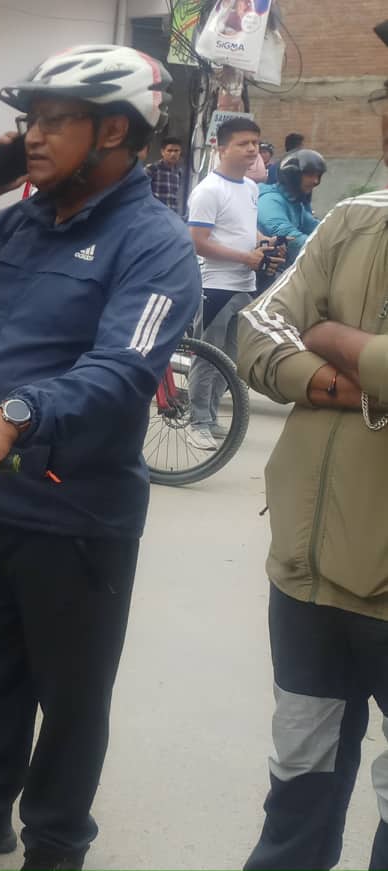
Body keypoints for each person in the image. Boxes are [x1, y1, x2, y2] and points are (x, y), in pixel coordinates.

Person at [0, 45, 199, 869]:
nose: (30, 137)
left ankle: (57, 842)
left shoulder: (154, 242)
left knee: (71, 697)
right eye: (27, 120)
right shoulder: (21, 221)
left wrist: (14, 416)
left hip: (76, 512)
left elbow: (124, 370)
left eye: (53, 121)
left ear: (115, 131)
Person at [234, 35, 388, 871]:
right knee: (298, 778)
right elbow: (258, 326)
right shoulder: (355, 220)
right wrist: (333, 378)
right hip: (307, 573)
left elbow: (302, 326)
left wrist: (337, 338)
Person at [186, 116, 271, 450]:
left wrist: (265, 242)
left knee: (232, 361)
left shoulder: (251, 187)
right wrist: (243, 257)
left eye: (255, 143)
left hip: (243, 285)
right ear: (221, 148)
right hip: (215, 286)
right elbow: (197, 242)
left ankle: (210, 415)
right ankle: (196, 422)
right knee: (207, 357)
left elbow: (244, 228)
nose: (252, 149)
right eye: (243, 143)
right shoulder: (209, 190)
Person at [257, 148, 324, 268]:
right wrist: (326, 250)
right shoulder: (271, 200)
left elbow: (317, 228)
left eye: (318, 175)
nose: (315, 181)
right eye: (310, 175)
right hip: (265, 271)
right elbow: (289, 236)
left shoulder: (294, 202)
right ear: (292, 175)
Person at [146, 135, 190, 217]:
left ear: (180, 152)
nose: (173, 154)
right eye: (169, 151)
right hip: (154, 215)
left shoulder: (178, 172)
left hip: (171, 216)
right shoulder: (152, 169)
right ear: (162, 152)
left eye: (176, 151)